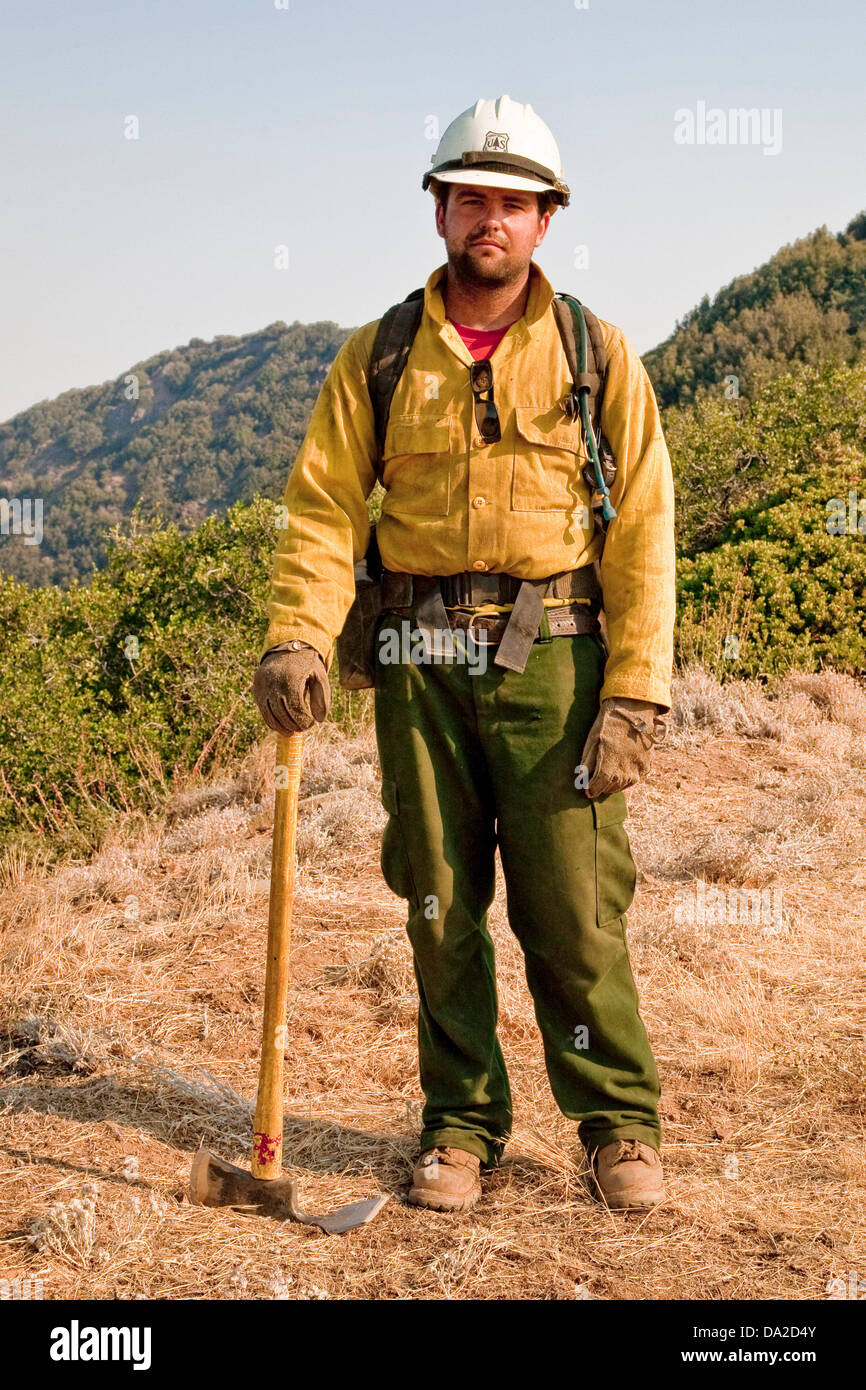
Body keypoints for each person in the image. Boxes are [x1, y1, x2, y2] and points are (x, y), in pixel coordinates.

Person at [254, 95, 676, 1213]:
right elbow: (321, 508)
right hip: (416, 656)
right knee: (438, 900)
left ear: (545, 221)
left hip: (556, 659)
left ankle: (615, 1123)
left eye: (512, 202)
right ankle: (458, 1126)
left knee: (572, 908)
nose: (490, 218)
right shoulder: (381, 358)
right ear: (438, 210)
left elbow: (641, 530)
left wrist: (634, 693)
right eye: (470, 197)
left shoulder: (596, 354)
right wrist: (298, 632)